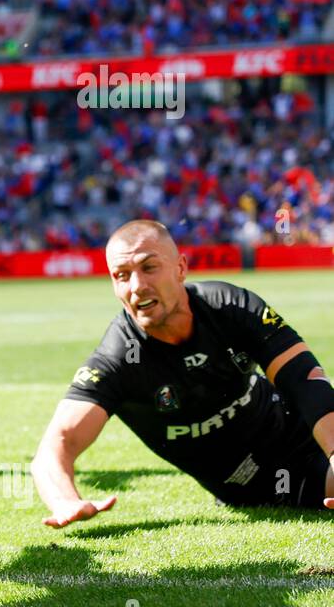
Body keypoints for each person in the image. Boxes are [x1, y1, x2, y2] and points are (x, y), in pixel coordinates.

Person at [32, 219, 334, 526]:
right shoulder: (118, 360)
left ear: (180, 268)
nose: (136, 286)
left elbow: (304, 379)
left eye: (149, 267)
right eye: (122, 275)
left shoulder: (230, 306)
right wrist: (64, 500)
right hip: (262, 476)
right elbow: (57, 444)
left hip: (305, 422)